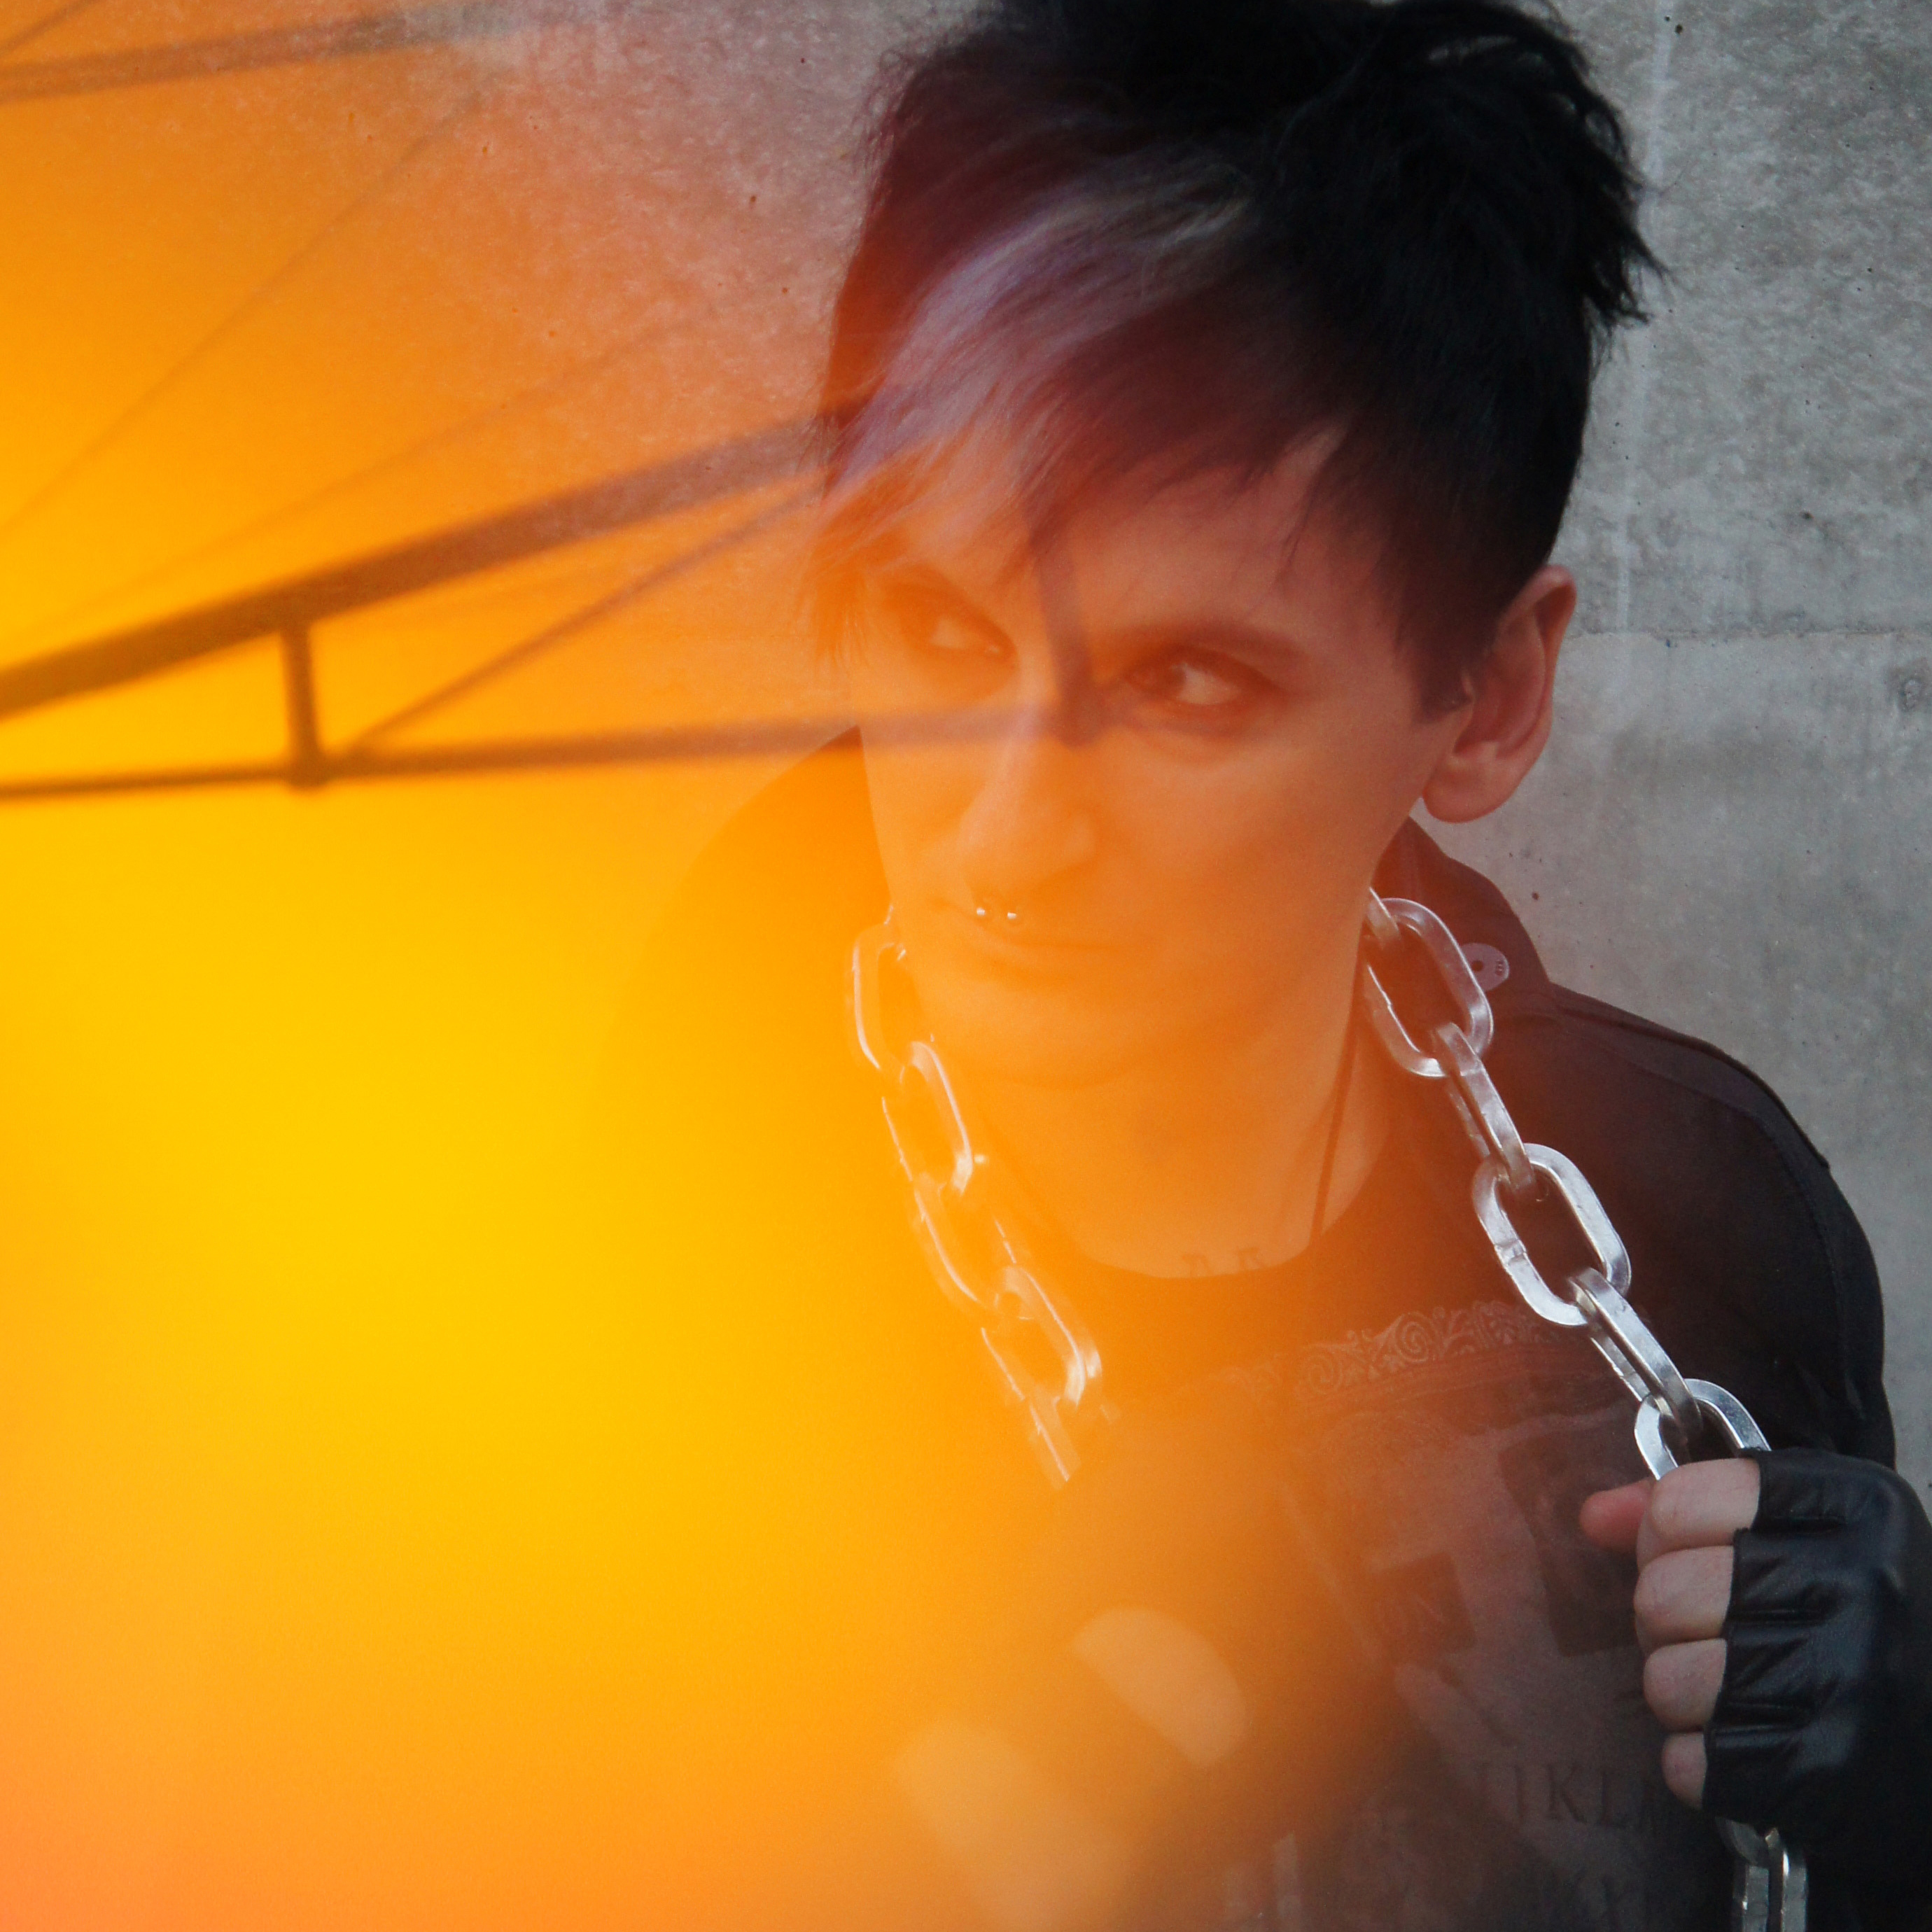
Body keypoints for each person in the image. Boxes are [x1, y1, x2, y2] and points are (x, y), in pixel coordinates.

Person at [591, 1, 1932, 1926]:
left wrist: (1896, 1818)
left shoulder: (1696, 1224)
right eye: (939, 632)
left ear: (1487, 696)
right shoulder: (574, 1359)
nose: (1007, 829)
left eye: (1185, 684)